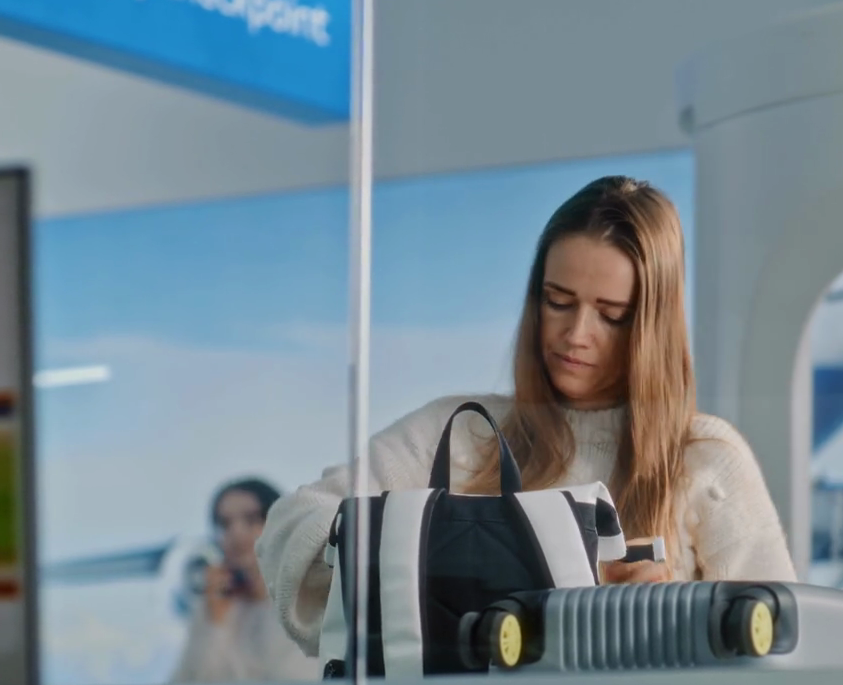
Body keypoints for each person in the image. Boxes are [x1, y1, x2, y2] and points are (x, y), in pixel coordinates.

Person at [258, 175, 796, 655]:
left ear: (650, 326)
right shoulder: (459, 433)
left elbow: (781, 647)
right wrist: (499, 563)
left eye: (611, 315)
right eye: (557, 301)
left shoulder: (704, 460)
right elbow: (293, 527)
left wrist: (664, 619)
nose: (575, 334)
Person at [173, 478, 316, 682]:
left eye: (251, 520)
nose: (236, 533)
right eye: (224, 524)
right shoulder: (214, 608)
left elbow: (292, 681)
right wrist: (216, 624)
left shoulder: (310, 603)